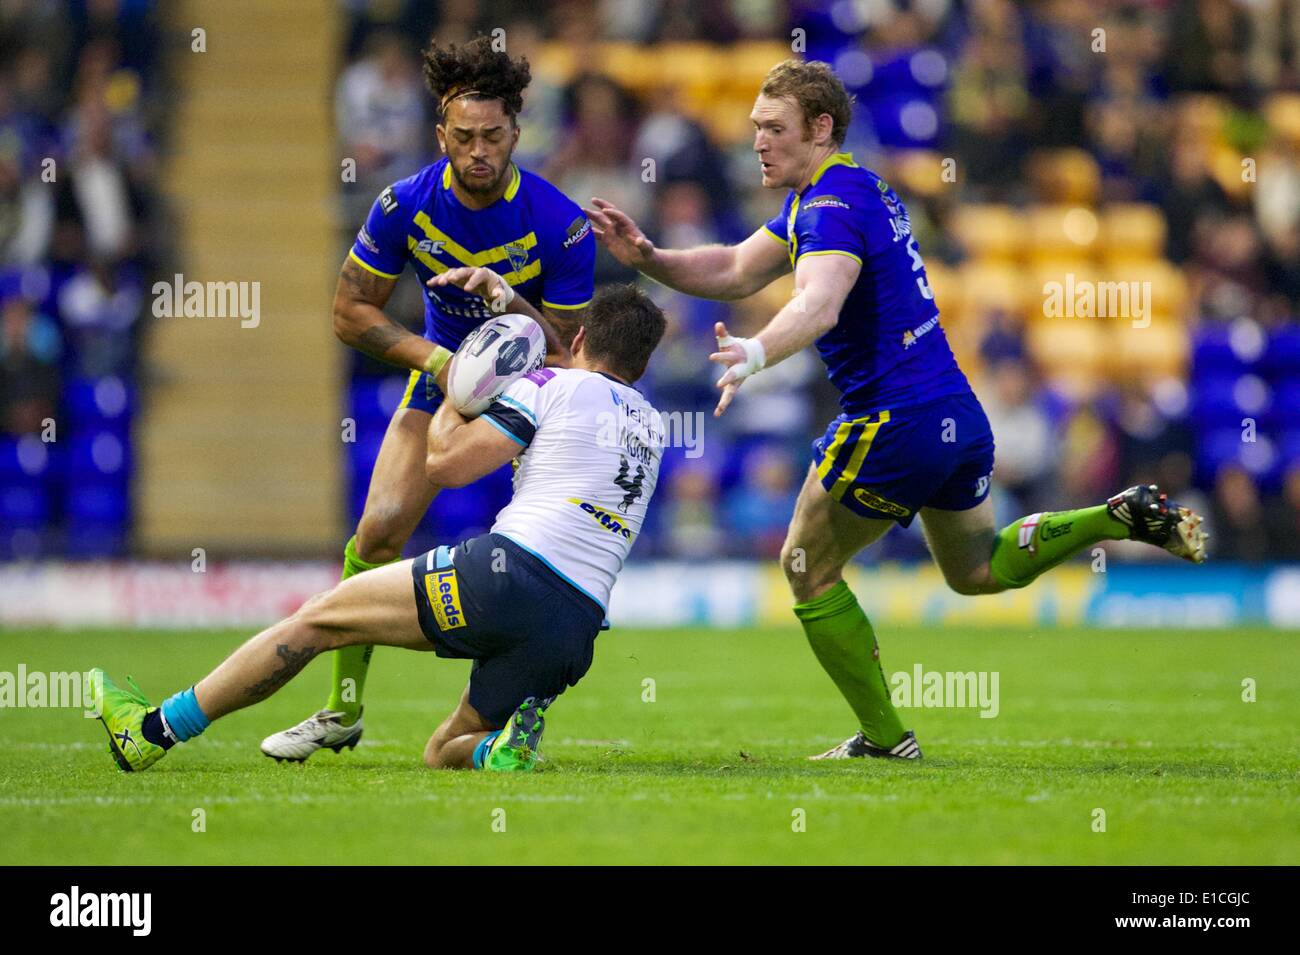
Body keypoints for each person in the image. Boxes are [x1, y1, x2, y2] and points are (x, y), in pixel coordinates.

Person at [584, 59, 1207, 761]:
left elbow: (819, 301)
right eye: (755, 127)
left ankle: (885, 740)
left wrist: (757, 353)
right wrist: (649, 255)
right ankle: (1112, 515)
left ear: (820, 128)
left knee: (803, 565)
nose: (757, 141)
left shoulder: (827, 208)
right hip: (955, 415)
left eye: (774, 128)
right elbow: (733, 269)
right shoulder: (849, 191)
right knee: (976, 570)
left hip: (894, 420)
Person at [91, 284, 666, 773]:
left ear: (583, 340)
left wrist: (454, 391)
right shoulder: (654, 426)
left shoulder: (552, 386)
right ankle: (495, 748)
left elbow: (447, 466)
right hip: (575, 627)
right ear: (640, 364)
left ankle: (152, 732)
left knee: (319, 618)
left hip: (507, 575)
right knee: (443, 750)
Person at [266, 35, 597, 760]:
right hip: (442, 375)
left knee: (539, 560)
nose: (479, 151)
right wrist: (439, 360)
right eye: (464, 136)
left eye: (494, 136)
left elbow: (575, 355)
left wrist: (512, 303)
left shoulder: (559, 221)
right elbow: (349, 312)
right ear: (439, 133)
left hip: (542, 396)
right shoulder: (402, 205)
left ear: (517, 130)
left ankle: (514, 710)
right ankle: (342, 713)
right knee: (378, 532)